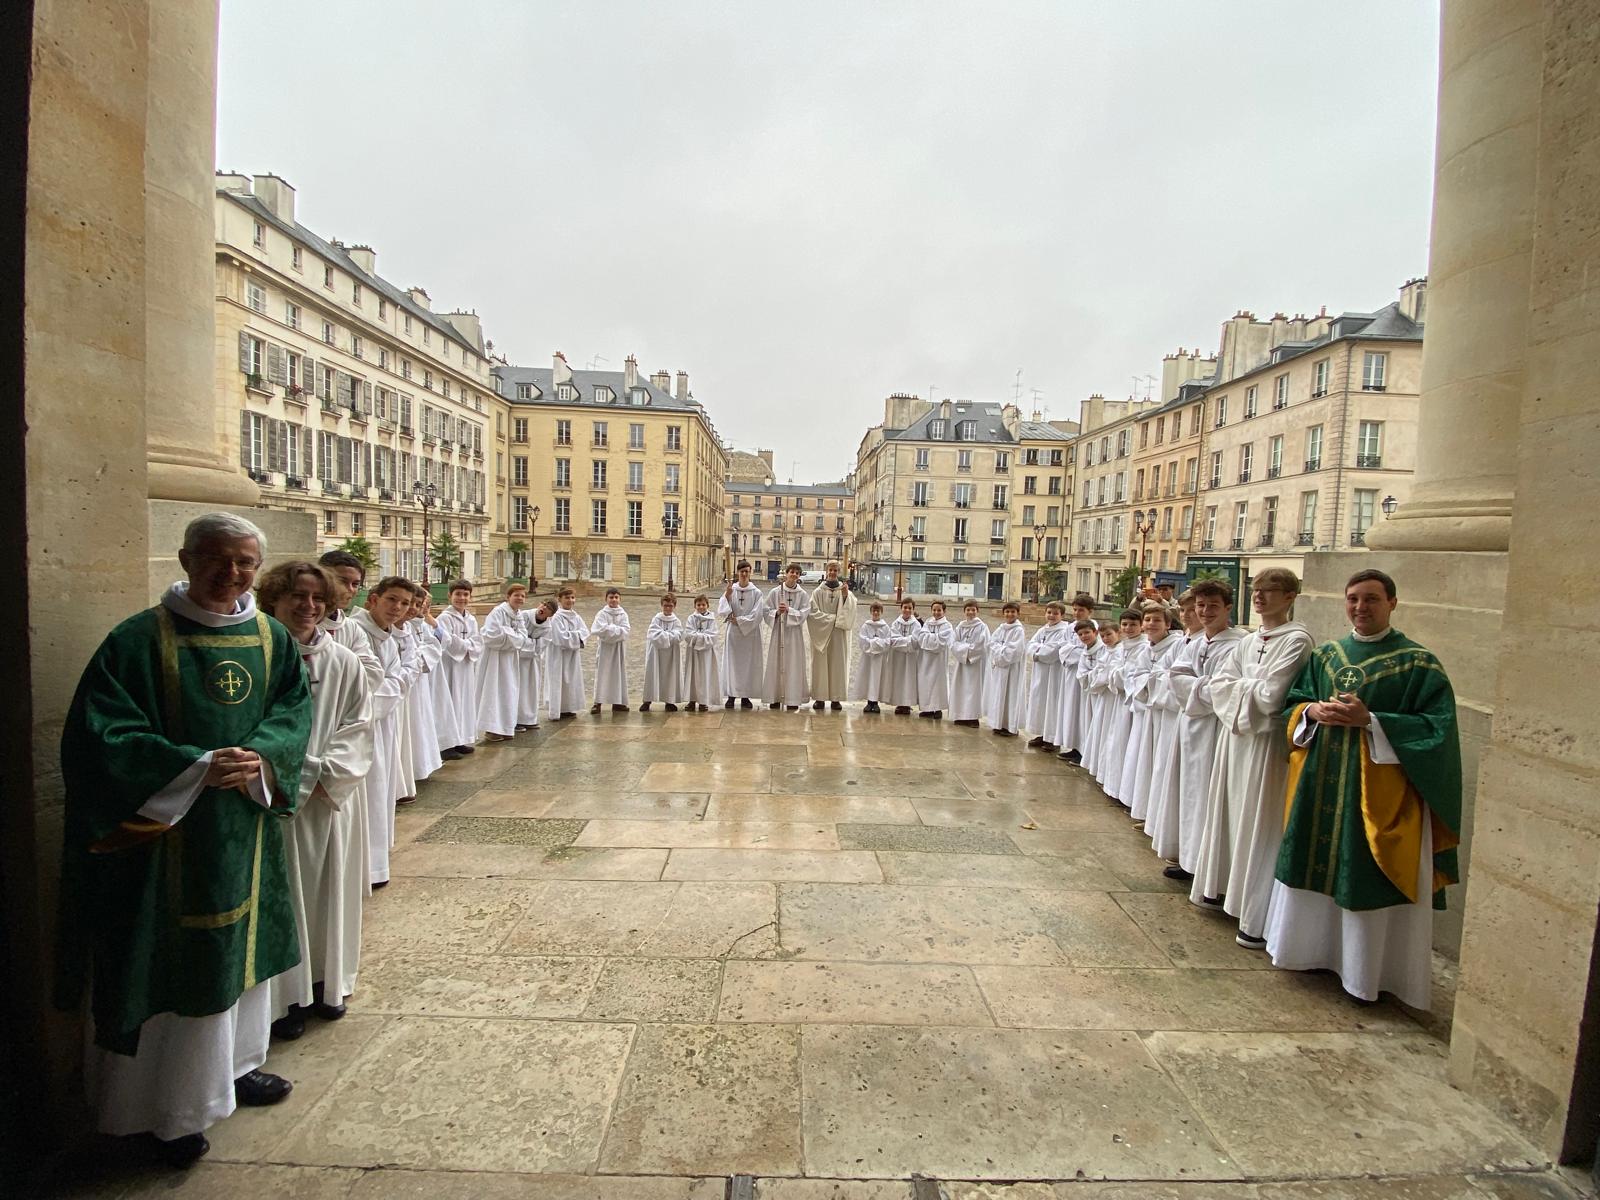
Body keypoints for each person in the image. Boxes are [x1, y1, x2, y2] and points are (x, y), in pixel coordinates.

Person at [55, 513, 311, 1165]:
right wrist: (192, 767)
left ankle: (234, 1067)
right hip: (163, 837)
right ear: (185, 558)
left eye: (246, 562)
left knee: (239, 951)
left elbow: (292, 710)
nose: (232, 573)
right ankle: (161, 1109)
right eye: (217, 559)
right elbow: (99, 735)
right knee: (168, 958)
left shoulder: (271, 638)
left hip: (242, 827)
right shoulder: (138, 640)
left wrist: (261, 758)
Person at [1266, 569, 1461, 1008]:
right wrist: (1312, 711)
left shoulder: (1418, 663)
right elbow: (1293, 706)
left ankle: (1364, 973)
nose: (1360, 607)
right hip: (1321, 787)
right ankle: (1307, 951)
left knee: (1365, 872)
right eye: (1353, 598)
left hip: (1380, 795)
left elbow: (1438, 729)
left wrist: (1371, 722)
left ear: (1393, 603)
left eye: (1371, 599)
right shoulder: (1327, 656)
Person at [258, 562, 372, 1044]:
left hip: (327, 800)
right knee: (283, 900)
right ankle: (284, 998)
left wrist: (324, 778)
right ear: (274, 601)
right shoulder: (256, 659)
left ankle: (327, 983)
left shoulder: (343, 661)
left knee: (328, 891)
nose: (307, 607)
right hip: (272, 800)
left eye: (316, 599)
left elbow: (359, 724)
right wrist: (291, 778)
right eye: (296, 598)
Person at [1189, 568, 1314, 949]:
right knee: (1227, 812)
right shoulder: (1248, 641)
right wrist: (1246, 687)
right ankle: (1221, 887)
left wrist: (1241, 688)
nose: (1259, 597)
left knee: (1258, 820)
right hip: (1235, 735)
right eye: (1255, 590)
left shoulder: (1297, 641)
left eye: (1269, 590)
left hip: (1265, 742)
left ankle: (1253, 911)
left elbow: (1272, 695)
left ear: (1290, 596)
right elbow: (1219, 685)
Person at [1159, 580, 1246, 881]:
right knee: (1188, 792)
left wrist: (1194, 688)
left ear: (1228, 608)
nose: (1205, 611)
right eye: (1200, 605)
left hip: (1215, 729)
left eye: (1213, 606)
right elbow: (1175, 676)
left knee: (1210, 795)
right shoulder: (1196, 643)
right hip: (1190, 725)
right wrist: (1200, 687)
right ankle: (1188, 856)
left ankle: (1209, 867)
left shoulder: (1238, 645)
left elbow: (1225, 689)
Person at [350, 577, 416, 887]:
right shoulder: (353, 632)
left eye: (404, 603)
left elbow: (395, 679)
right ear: (373, 599)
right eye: (392, 600)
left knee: (380, 791)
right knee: (365, 793)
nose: (398, 608)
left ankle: (375, 862)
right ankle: (361, 866)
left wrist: (395, 684)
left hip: (384, 724)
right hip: (357, 728)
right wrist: (397, 684)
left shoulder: (389, 637)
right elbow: (365, 690)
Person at [1144, 591, 1202, 865]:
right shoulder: (1186, 642)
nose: (1189, 614)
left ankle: (1189, 854)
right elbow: (1164, 675)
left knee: (1191, 787)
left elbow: (1172, 679)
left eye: (1194, 609)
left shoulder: (1195, 642)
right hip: (1172, 717)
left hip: (1192, 720)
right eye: (1185, 610)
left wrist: (1171, 683)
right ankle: (1173, 842)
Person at [1122, 602, 1184, 822]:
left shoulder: (1176, 645)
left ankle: (1157, 814)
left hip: (1165, 712)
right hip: (1147, 709)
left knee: (1160, 763)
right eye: (1147, 620)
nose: (1151, 624)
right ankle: (1144, 807)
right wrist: (1148, 682)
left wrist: (1149, 681)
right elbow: (1134, 675)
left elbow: (1172, 678)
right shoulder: (1147, 649)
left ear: (1168, 623)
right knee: (1145, 759)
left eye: (1157, 620)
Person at [317, 550, 382, 694]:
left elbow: (373, 673)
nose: (350, 589)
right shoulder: (301, 623)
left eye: (355, 584)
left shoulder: (352, 628)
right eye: (342, 581)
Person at [1096, 609, 1146, 799]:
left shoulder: (1143, 646)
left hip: (1132, 701)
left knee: (1128, 744)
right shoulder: (1123, 646)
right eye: (1125, 624)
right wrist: (1118, 674)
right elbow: (1114, 671)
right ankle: (1114, 784)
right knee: (1116, 740)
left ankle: (1126, 792)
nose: (1128, 628)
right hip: (1119, 699)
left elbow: (1131, 673)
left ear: (1140, 626)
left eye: (1133, 624)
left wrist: (1118, 674)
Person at [434, 580, 484, 756]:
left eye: (465, 594)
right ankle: (447, 744)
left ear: (470, 597)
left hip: (465, 666)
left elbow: (478, 641)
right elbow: (447, 642)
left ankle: (460, 739)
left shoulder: (470, 619)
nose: (462, 598)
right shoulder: (444, 618)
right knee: (450, 701)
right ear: (450, 596)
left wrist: (465, 645)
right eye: (458, 594)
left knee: (463, 702)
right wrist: (466, 645)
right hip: (450, 666)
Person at [477, 582, 529, 741]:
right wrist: (512, 637)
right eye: (516, 595)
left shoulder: (519, 615)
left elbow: (523, 638)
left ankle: (506, 727)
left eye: (522, 596)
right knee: (494, 692)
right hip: (495, 659)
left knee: (508, 692)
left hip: (510, 659)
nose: (519, 598)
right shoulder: (498, 612)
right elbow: (491, 636)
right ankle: (492, 729)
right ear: (508, 597)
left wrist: (509, 635)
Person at [1053, 596, 1098, 762]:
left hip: (1084, 676)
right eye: (1075, 609)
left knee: (1083, 712)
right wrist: (1072, 651)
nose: (1077, 613)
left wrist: (1072, 651)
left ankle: (1084, 750)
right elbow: (1062, 648)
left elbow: (1087, 652)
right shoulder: (1069, 628)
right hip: (1070, 675)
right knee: (1071, 710)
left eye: (1081, 610)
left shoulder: (1094, 628)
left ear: (1090, 611)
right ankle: (1074, 745)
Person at [806, 561, 856, 712]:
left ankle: (836, 698)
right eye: (830, 570)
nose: (833, 572)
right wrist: (832, 619)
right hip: (821, 633)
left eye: (835, 570)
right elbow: (812, 612)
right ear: (826, 571)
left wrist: (846, 596)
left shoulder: (844, 590)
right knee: (820, 665)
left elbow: (851, 609)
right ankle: (820, 698)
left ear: (839, 572)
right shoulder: (817, 592)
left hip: (838, 633)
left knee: (837, 665)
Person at [763, 564, 811, 710]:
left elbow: (804, 613)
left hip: (794, 635)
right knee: (776, 663)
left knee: (793, 665)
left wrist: (789, 610)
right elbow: (766, 610)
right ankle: (775, 697)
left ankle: (792, 699)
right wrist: (777, 612)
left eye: (797, 573)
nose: (794, 575)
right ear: (787, 574)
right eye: (792, 572)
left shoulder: (802, 594)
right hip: (779, 632)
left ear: (799, 575)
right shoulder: (776, 592)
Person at [718, 560, 765, 709]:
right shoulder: (732, 590)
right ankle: (731, 696)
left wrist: (739, 620)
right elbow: (722, 608)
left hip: (750, 634)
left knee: (748, 665)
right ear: (737, 573)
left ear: (750, 573)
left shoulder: (757, 592)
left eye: (746, 571)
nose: (744, 574)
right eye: (741, 571)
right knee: (732, 664)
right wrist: (727, 595)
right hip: (733, 634)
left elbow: (758, 614)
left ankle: (745, 697)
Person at [1025, 602, 1071, 750]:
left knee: (1052, 703)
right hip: (1040, 672)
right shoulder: (1042, 630)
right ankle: (1042, 733)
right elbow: (1030, 645)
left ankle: (1052, 738)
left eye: (1055, 613)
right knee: (1040, 702)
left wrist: (1038, 651)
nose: (1051, 616)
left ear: (1062, 615)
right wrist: (1038, 651)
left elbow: (1055, 650)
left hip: (1054, 672)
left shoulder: (1064, 630)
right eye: (1049, 612)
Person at [1079, 622, 1119, 778]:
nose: (1106, 638)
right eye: (1103, 636)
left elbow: (1107, 673)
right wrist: (1092, 679)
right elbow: (1099, 670)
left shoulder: (1118, 651)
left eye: (1109, 634)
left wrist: (1094, 680)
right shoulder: (1109, 650)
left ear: (1118, 632)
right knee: (1099, 730)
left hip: (1111, 696)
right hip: (1100, 693)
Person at [983, 602, 1027, 736]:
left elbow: (1015, 650)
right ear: (1003, 614)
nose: (1009, 614)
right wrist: (1000, 651)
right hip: (1000, 669)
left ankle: (1010, 727)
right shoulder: (1001, 628)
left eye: (1013, 612)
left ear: (1018, 613)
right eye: (1007, 612)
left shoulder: (1019, 630)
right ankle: (998, 723)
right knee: (999, 695)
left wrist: (1000, 653)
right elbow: (991, 643)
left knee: (1011, 696)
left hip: (1012, 669)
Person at [546, 587, 589, 719]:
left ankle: (568, 707)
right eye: (567, 598)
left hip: (572, 655)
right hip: (559, 655)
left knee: (571, 681)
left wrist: (574, 636)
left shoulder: (576, 616)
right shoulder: (556, 618)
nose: (570, 600)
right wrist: (577, 636)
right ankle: (557, 709)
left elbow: (585, 632)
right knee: (559, 680)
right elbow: (560, 638)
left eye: (572, 598)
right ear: (560, 600)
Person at [590, 588, 631, 715]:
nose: (614, 600)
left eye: (616, 597)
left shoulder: (623, 614)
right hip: (605, 649)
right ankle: (598, 702)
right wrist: (615, 631)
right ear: (606, 599)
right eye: (611, 597)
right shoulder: (602, 614)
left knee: (618, 674)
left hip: (618, 649)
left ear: (620, 599)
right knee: (602, 673)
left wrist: (611, 630)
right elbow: (599, 629)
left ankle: (618, 702)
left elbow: (626, 630)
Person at [642, 593, 686, 712]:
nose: (667, 608)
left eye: (670, 606)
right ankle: (647, 701)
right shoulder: (656, 619)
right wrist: (668, 636)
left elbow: (679, 635)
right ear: (662, 605)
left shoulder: (676, 621)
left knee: (670, 676)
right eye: (665, 605)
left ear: (674, 606)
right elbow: (652, 633)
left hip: (671, 654)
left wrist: (664, 636)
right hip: (656, 653)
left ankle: (669, 701)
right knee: (652, 674)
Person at [949, 601, 989, 727]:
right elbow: (953, 643)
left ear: (977, 611)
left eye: (973, 610)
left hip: (975, 664)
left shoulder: (982, 627)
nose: (970, 612)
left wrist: (965, 650)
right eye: (968, 610)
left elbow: (982, 645)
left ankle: (973, 718)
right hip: (961, 664)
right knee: (961, 688)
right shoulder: (960, 626)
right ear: (964, 611)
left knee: (973, 690)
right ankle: (961, 715)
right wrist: (965, 651)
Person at [518, 597, 554, 730]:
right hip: (517, 660)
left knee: (531, 689)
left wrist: (526, 643)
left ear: (551, 615)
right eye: (544, 605)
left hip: (533, 662)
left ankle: (528, 718)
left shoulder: (548, 627)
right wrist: (530, 644)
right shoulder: (524, 616)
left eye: (548, 608)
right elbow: (517, 638)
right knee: (518, 688)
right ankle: (516, 720)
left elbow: (541, 647)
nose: (544, 608)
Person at [916, 599, 954, 719]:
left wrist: (929, 638)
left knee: (938, 683)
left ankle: (937, 709)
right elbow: (921, 637)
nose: (936, 612)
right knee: (926, 682)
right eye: (934, 610)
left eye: (939, 610)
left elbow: (942, 641)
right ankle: (927, 708)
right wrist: (933, 638)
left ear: (944, 611)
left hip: (939, 659)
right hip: (926, 659)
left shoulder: (947, 626)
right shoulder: (928, 622)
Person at [851, 601, 892, 713]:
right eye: (873, 610)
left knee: (878, 679)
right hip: (868, 658)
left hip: (879, 659)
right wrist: (876, 643)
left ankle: (876, 703)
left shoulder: (885, 627)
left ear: (881, 612)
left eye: (878, 611)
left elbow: (888, 642)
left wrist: (874, 643)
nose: (875, 613)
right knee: (868, 678)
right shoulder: (866, 626)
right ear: (871, 612)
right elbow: (862, 641)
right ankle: (869, 703)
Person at [884, 599, 923, 716]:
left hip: (911, 657)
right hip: (898, 657)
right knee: (898, 678)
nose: (907, 610)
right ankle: (899, 702)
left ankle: (907, 703)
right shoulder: (896, 623)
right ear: (901, 608)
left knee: (909, 679)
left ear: (913, 610)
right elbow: (893, 640)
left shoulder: (916, 624)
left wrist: (903, 642)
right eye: (905, 607)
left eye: (910, 608)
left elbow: (916, 641)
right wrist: (907, 642)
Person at [683, 594, 720, 712]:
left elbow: (713, 636)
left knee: (704, 675)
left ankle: (703, 702)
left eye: (703, 604)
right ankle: (692, 700)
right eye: (698, 605)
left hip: (706, 653)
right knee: (692, 675)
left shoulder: (712, 620)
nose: (701, 607)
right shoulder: (691, 618)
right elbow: (688, 634)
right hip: (693, 652)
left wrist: (697, 637)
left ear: (707, 605)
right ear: (695, 606)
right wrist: (702, 637)